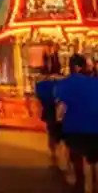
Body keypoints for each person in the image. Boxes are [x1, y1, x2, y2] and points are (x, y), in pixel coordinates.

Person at [56, 53, 98, 191]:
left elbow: (60, 111)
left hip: (75, 129)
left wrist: (59, 120)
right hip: (95, 127)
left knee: (77, 155)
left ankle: (81, 182)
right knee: (93, 158)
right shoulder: (95, 82)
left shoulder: (64, 84)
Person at [35, 52, 66, 174]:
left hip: (49, 107)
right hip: (57, 108)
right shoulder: (62, 80)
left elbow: (39, 95)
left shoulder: (42, 82)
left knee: (52, 131)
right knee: (58, 131)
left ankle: (55, 153)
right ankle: (58, 154)